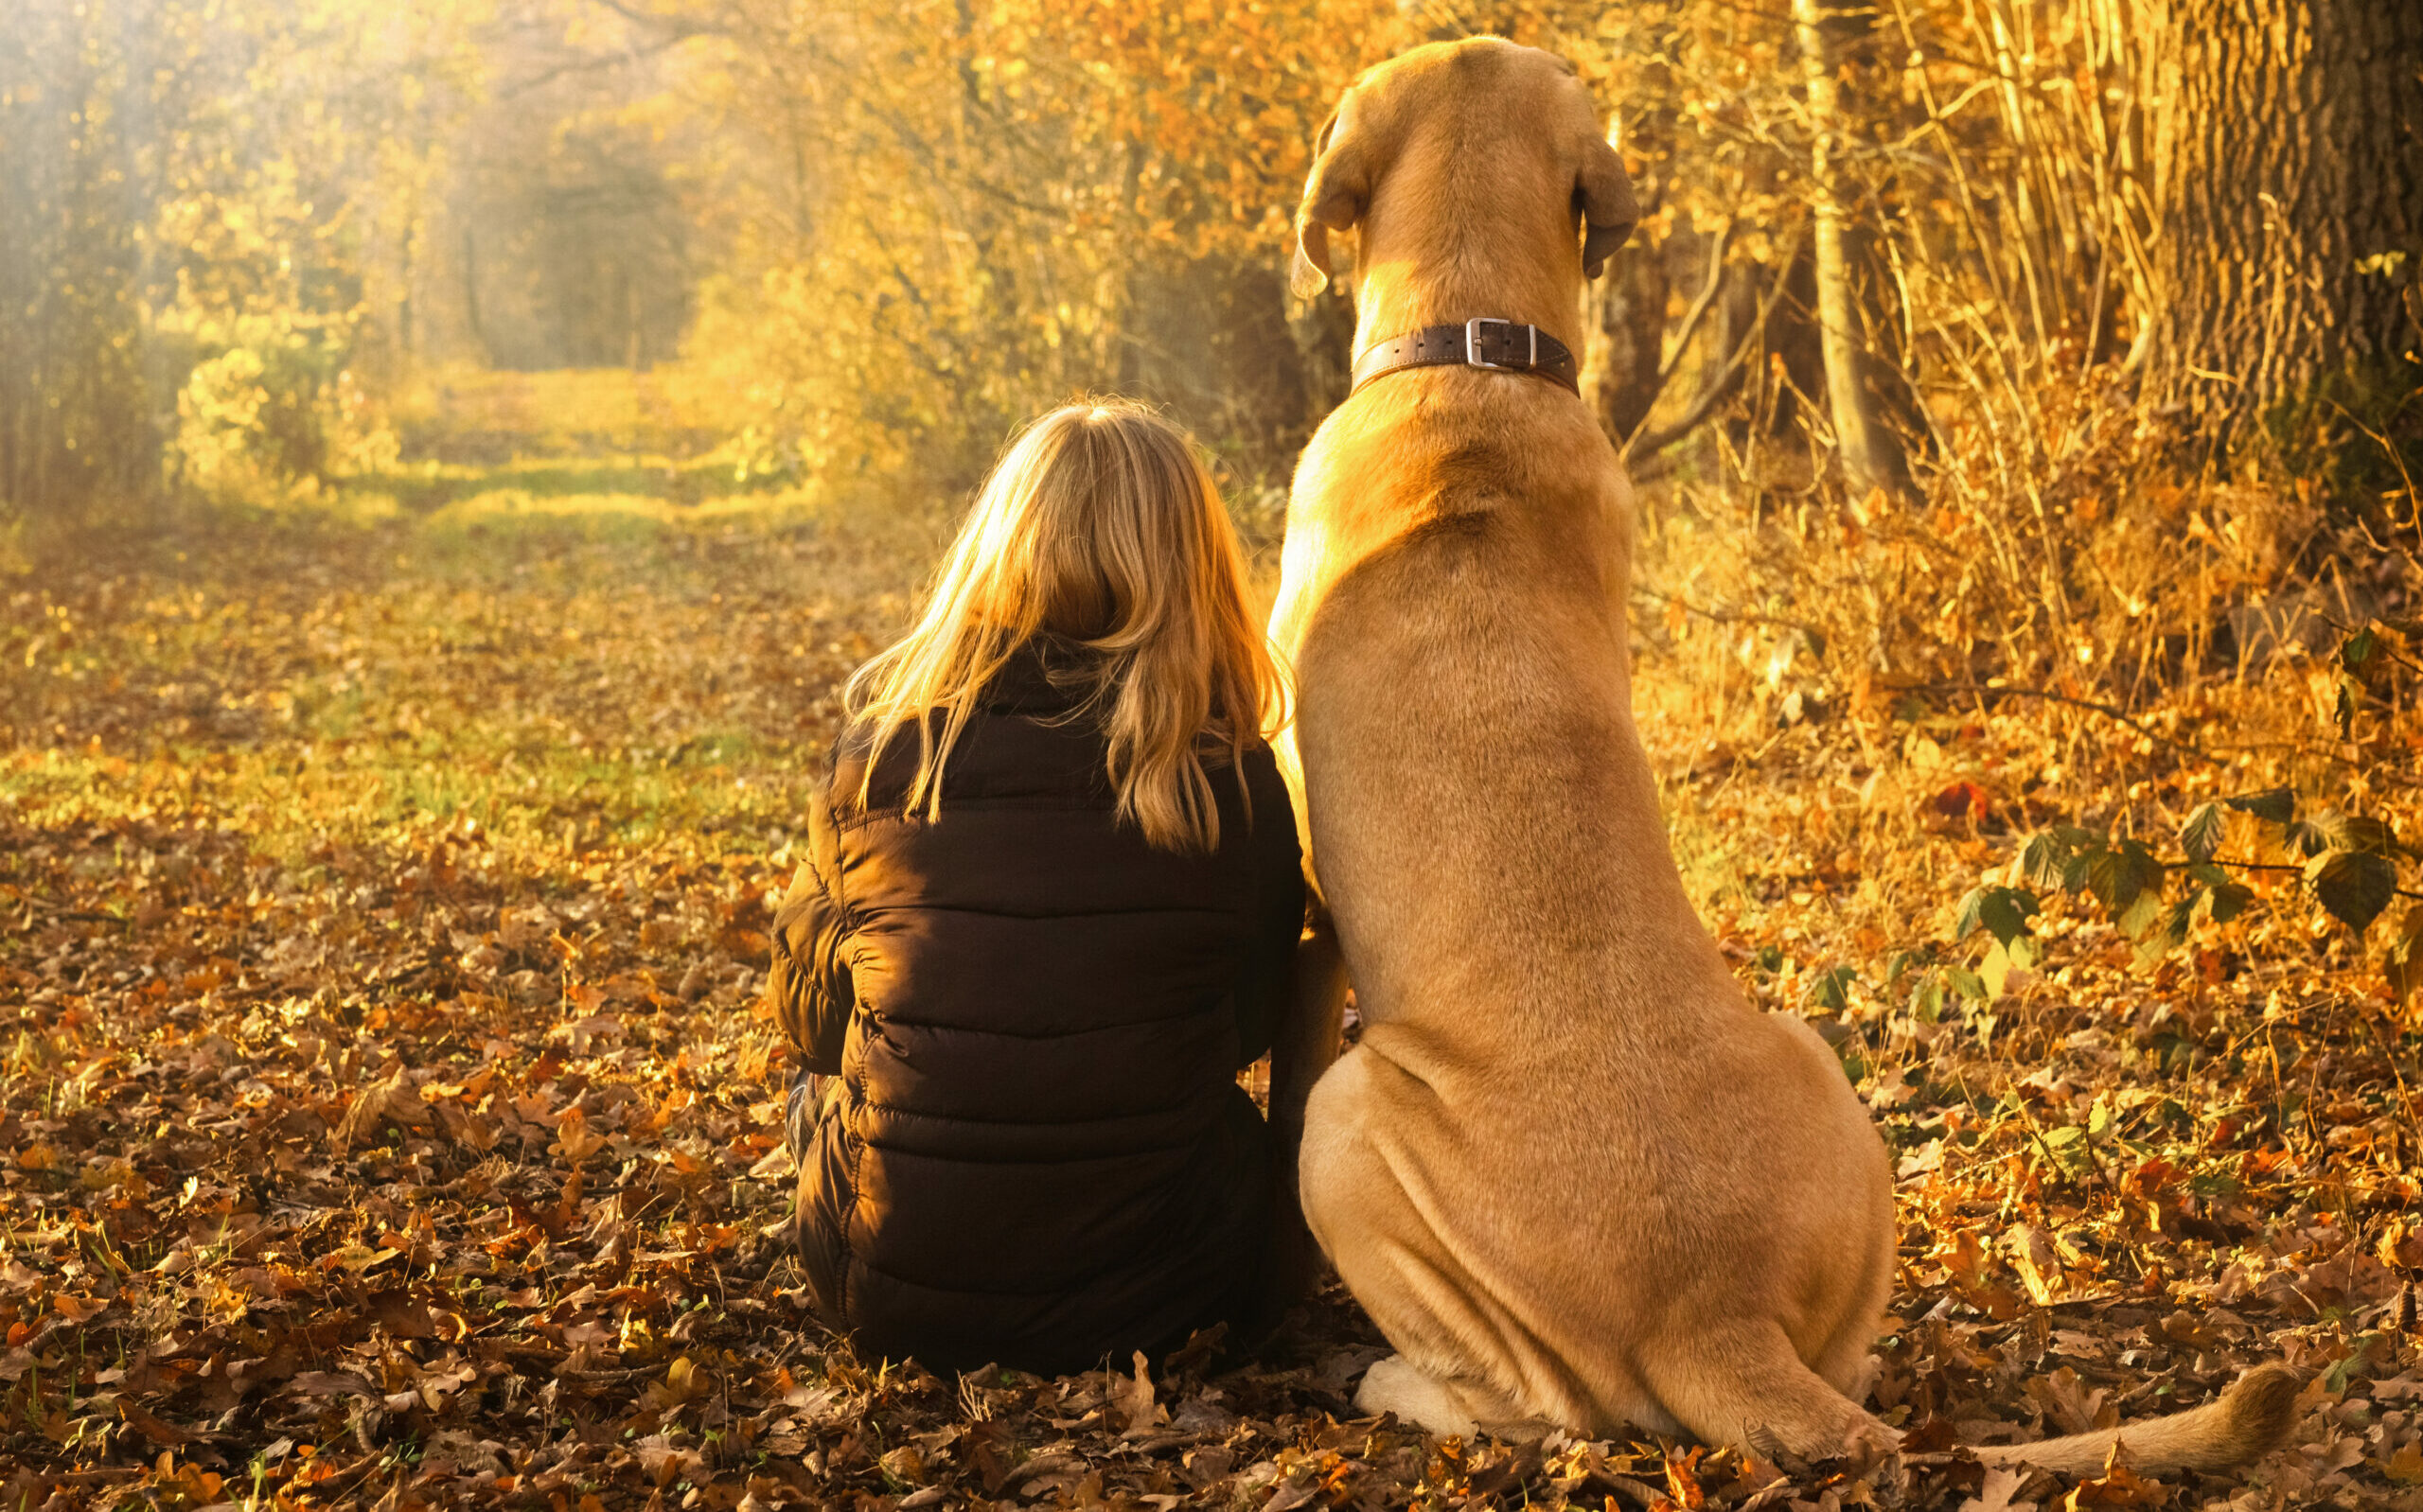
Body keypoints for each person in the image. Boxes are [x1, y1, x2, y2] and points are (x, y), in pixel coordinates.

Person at [766, 398, 1306, 1375]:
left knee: (828, 1077)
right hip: (1175, 1300)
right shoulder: (1230, 779)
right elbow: (1252, 1023)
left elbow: (807, 1019)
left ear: (995, 551)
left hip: (889, 1295)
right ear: (1193, 573)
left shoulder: (884, 761)